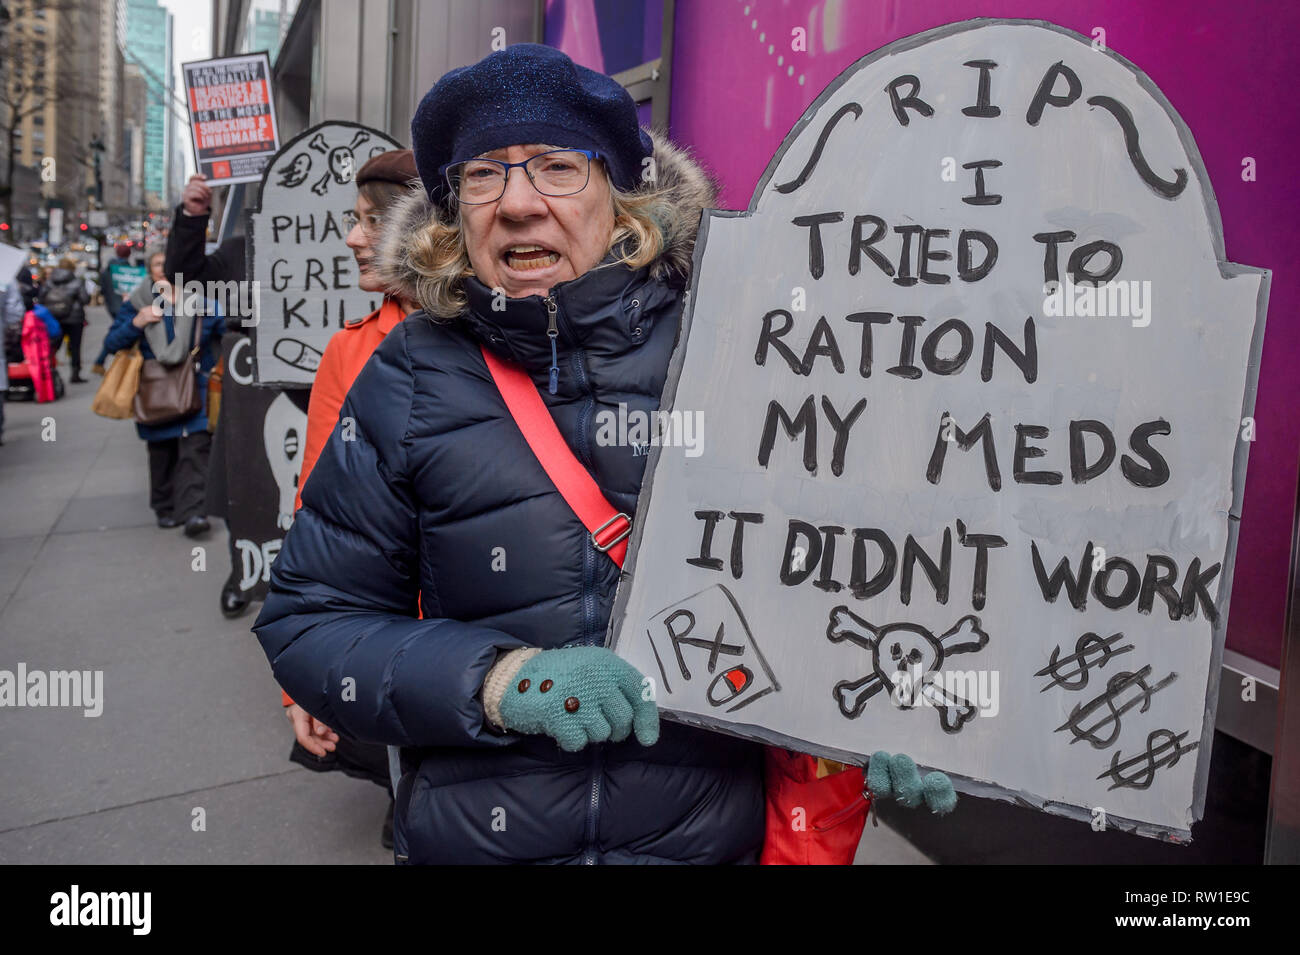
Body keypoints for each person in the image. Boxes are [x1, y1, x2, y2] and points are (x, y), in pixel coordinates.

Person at [254, 44, 766, 864]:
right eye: (485, 175)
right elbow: (310, 623)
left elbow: (827, 580)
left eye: (558, 166)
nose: (519, 203)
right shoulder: (409, 376)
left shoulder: (732, 352)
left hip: (704, 843)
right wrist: (502, 683)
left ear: (621, 195)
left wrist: (867, 731)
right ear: (457, 214)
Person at [279, 148, 422, 850]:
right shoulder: (349, 350)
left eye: (373, 220)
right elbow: (319, 521)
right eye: (354, 219)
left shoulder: (520, 329)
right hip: (391, 651)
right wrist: (302, 674)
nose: (353, 237)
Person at [165, 175, 255, 619]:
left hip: (318, 390)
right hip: (249, 392)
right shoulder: (239, 249)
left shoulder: (332, 244)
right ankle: (244, 573)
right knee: (244, 486)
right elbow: (185, 276)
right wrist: (192, 217)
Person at [102, 249, 224, 535]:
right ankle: (165, 507)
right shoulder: (137, 304)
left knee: (196, 450)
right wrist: (137, 323)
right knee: (162, 454)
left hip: (195, 387)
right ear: (150, 270)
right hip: (154, 390)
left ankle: (195, 512)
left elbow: (226, 329)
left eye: (169, 263)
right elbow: (111, 343)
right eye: (158, 264)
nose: (164, 269)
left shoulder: (201, 302)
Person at [94, 243, 146, 374]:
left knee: (119, 331)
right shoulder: (130, 270)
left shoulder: (107, 270)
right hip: (124, 305)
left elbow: (102, 288)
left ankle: (99, 362)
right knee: (122, 332)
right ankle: (100, 362)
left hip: (112, 305)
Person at [38, 257, 90, 383]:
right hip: (74, 318)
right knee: (75, 347)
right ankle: (75, 374)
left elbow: (41, 298)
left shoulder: (50, 281)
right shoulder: (77, 282)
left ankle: (47, 370)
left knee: (53, 346)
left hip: (54, 318)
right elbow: (85, 299)